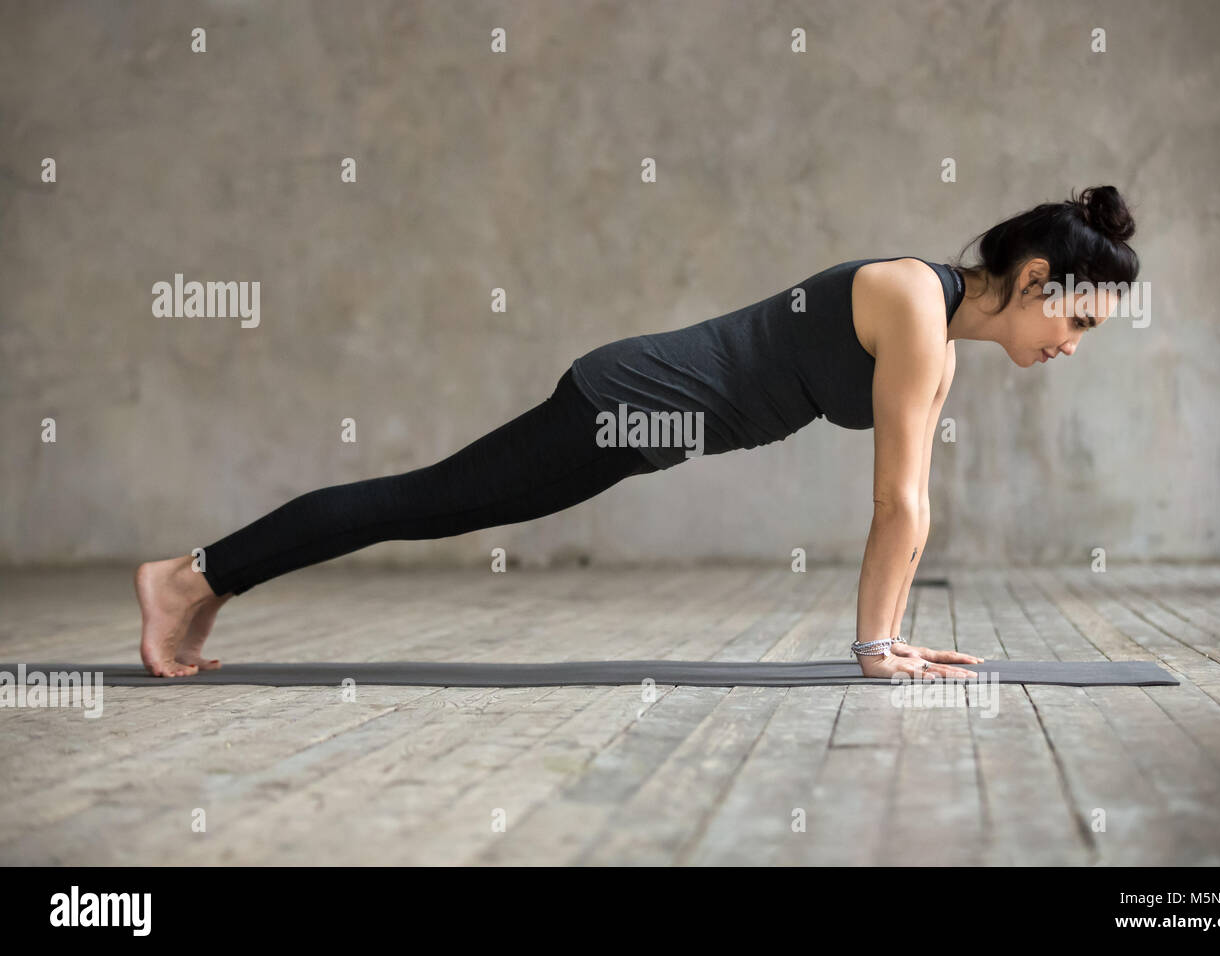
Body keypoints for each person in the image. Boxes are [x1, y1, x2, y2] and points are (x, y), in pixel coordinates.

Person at [134, 186, 1139, 681]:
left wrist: (883, 634)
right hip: (626, 401)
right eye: (1077, 322)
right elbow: (899, 500)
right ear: (1040, 281)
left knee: (429, 501)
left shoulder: (939, 335)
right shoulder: (916, 305)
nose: (1071, 347)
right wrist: (876, 644)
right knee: (424, 500)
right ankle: (189, 575)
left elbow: (907, 503)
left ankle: (202, 579)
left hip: (639, 422)